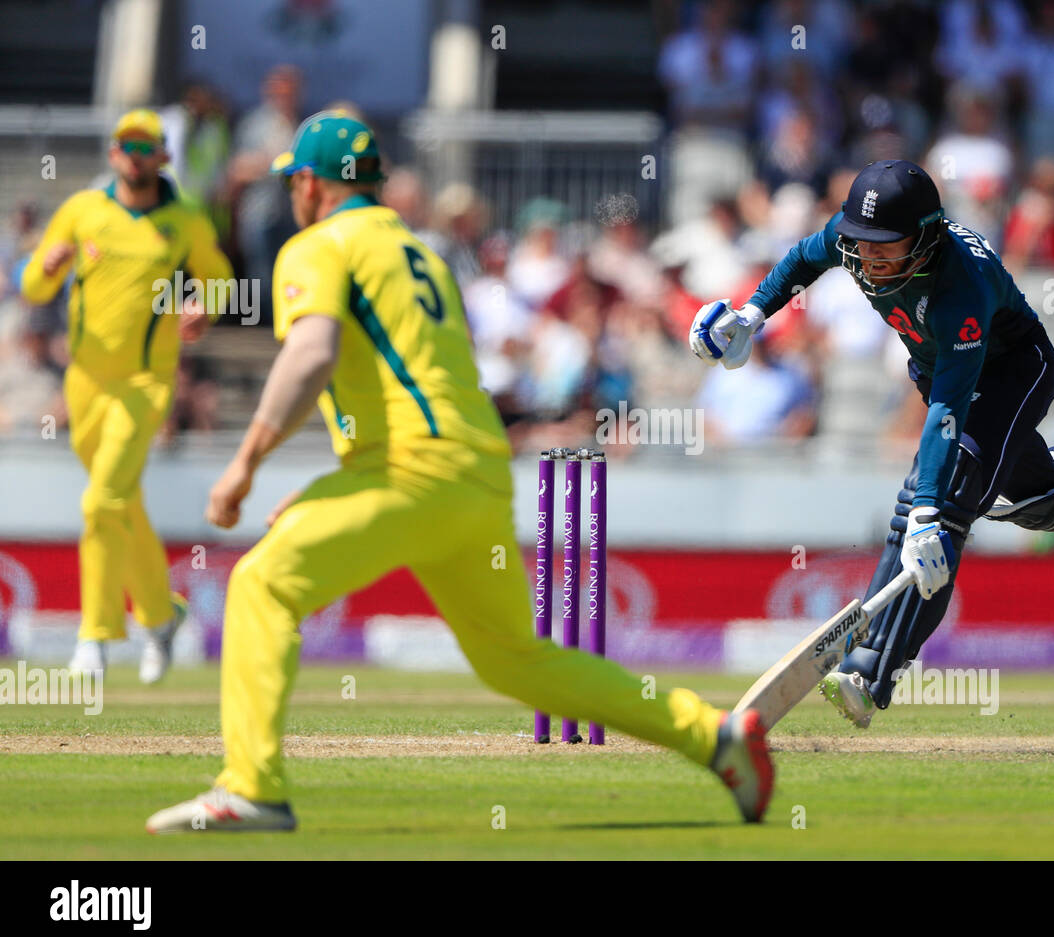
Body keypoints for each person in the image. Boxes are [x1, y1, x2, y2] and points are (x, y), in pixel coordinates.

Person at [145, 113, 772, 833]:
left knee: (261, 584)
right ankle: (714, 736)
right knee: (517, 662)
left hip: (411, 472)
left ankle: (252, 787)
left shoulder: (317, 246)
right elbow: (416, 373)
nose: (293, 194)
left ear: (312, 184)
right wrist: (340, 486)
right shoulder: (424, 254)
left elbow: (311, 354)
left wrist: (245, 462)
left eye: (295, 181)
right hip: (474, 472)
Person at [690, 160, 1054, 729]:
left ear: (926, 236)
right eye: (861, 245)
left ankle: (870, 669)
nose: (869, 259)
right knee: (1035, 501)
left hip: (1009, 373)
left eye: (886, 247)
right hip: (940, 377)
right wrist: (753, 313)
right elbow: (804, 258)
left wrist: (929, 513)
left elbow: (949, 413)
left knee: (939, 505)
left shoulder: (961, 288)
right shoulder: (856, 237)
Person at [20, 109, 232, 684]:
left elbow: (218, 277)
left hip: (146, 382)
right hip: (84, 381)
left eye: (146, 147)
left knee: (99, 504)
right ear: (113, 153)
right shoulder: (83, 210)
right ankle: (162, 617)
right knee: (119, 504)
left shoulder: (183, 219)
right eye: (125, 146)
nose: (134, 156)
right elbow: (31, 283)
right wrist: (48, 265)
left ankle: (96, 635)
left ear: (163, 156)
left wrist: (203, 307)